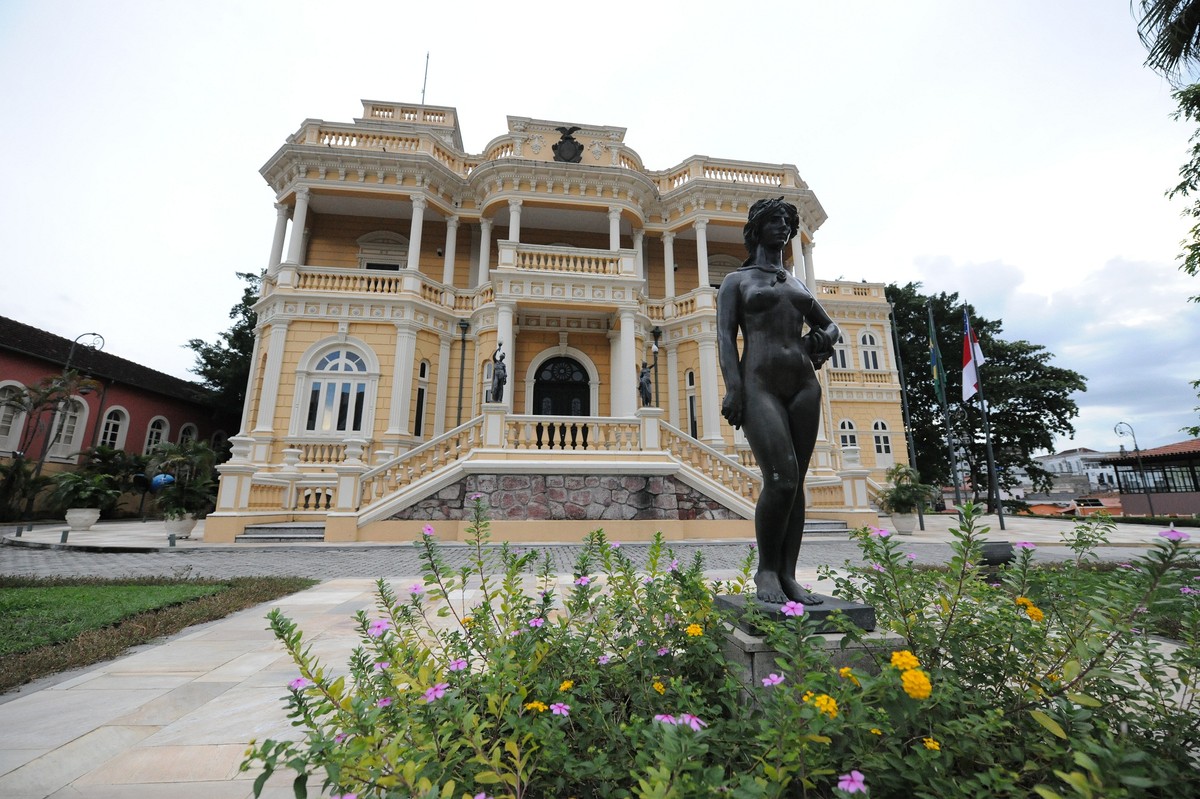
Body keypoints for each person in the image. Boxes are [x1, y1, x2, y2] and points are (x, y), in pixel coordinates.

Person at [717, 197, 839, 605]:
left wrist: (825, 339)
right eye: (775, 221)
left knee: (797, 483)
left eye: (788, 222)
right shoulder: (736, 280)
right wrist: (733, 388)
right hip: (759, 385)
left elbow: (829, 323)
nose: (784, 228)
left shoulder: (796, 284)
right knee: (782, 478)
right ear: (757, 228)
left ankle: (789, 575)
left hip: (804, 384)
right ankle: (766, 570)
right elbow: (724, 339)